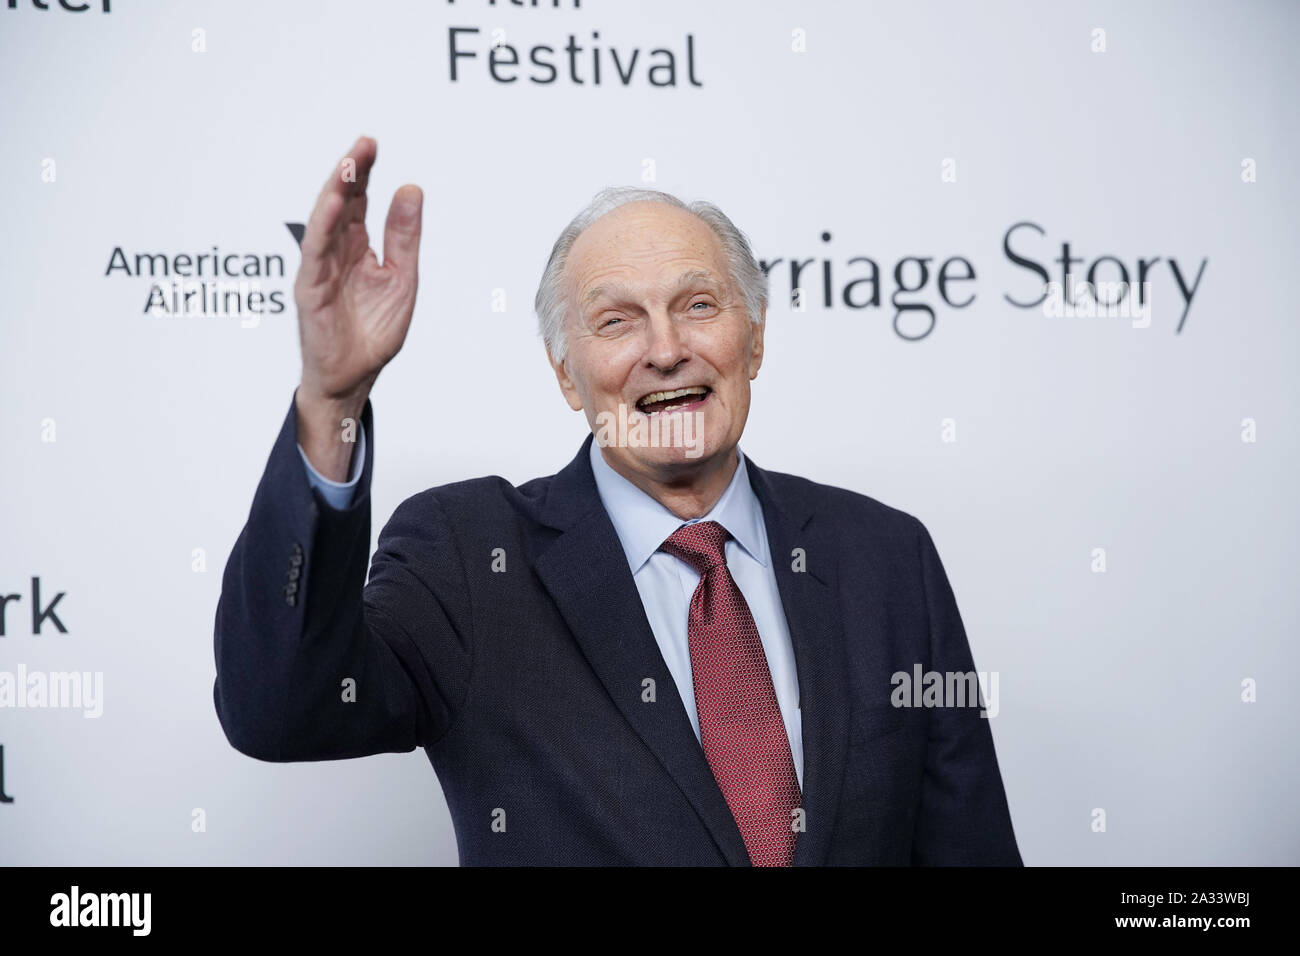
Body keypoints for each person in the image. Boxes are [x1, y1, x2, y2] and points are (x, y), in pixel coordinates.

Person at [213, 135, 1022, 867]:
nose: (667, 350)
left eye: (698, 305)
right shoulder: (467, 556)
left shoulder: (886, 557)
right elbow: (279, 711)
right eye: (616, 321)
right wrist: (333, 400)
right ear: (567, 375)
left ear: (757, 336)